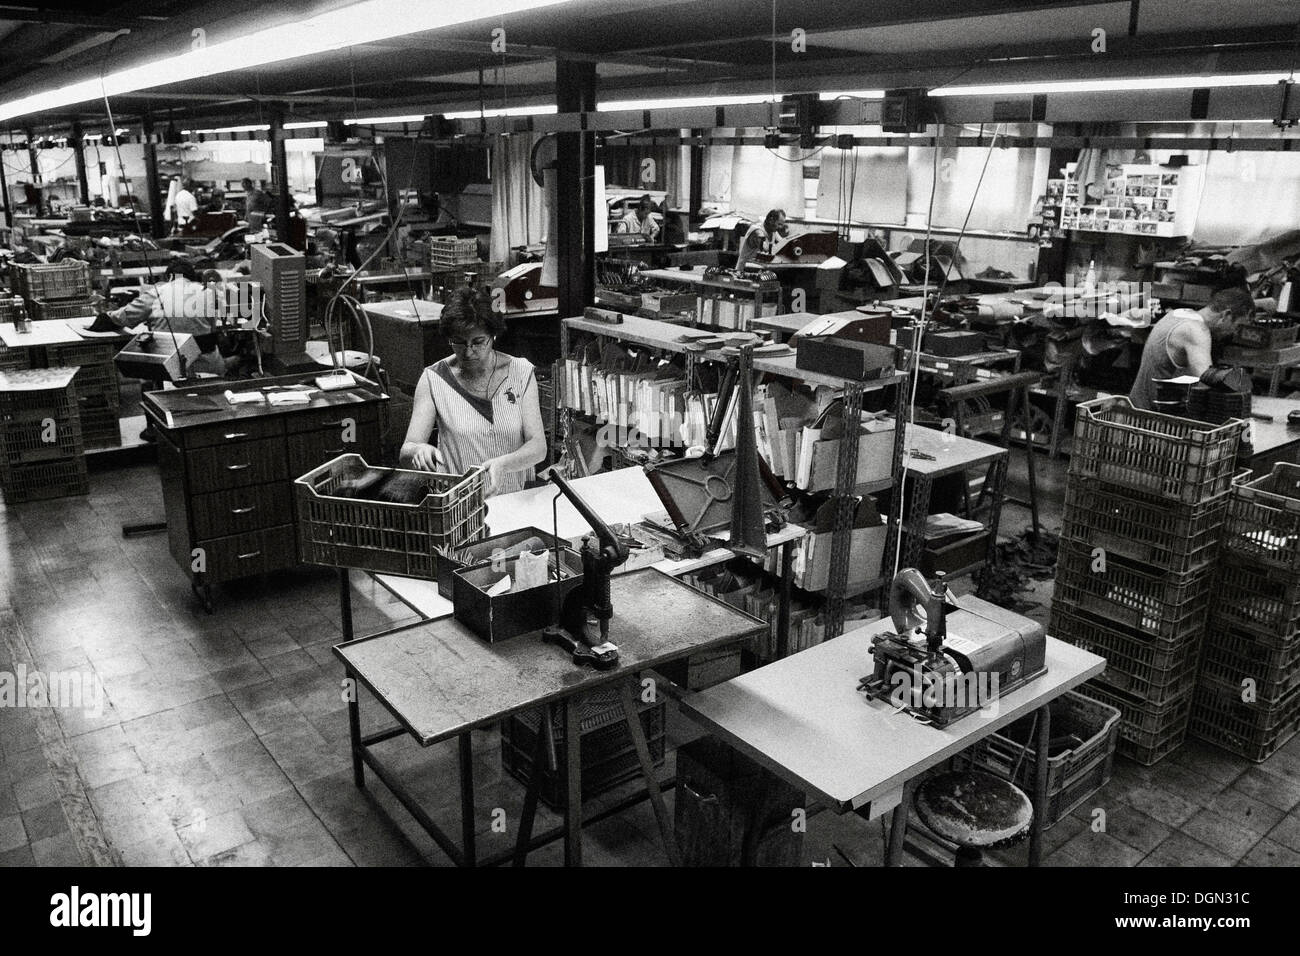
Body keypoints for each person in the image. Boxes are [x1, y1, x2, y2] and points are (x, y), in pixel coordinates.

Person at [401, 289, 546, 497]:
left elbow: (538, 446)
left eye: (478, 342)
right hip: (459, 508)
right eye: (459, 342)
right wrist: (418, 451)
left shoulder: (520, 373)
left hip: (516, 501)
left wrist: (503, 465)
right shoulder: (434, 379)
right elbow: (407, 449)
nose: (468, 352)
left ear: (493, 335)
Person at [90, 259, 230, 378]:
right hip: (208, 366)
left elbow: (122, 317)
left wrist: (104, 317)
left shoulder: (156, 293)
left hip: (169, 367)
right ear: (192, 277)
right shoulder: (207, 292)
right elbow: (212, 328)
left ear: (168, 277)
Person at [1128, 286, 1256, 410]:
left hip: (1138, 407)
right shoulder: (1196, 330)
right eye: (1237, 326)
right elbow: (1208, 382)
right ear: (1226, 315)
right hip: (1153, 418)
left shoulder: (1177, 314)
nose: (1234, 333)